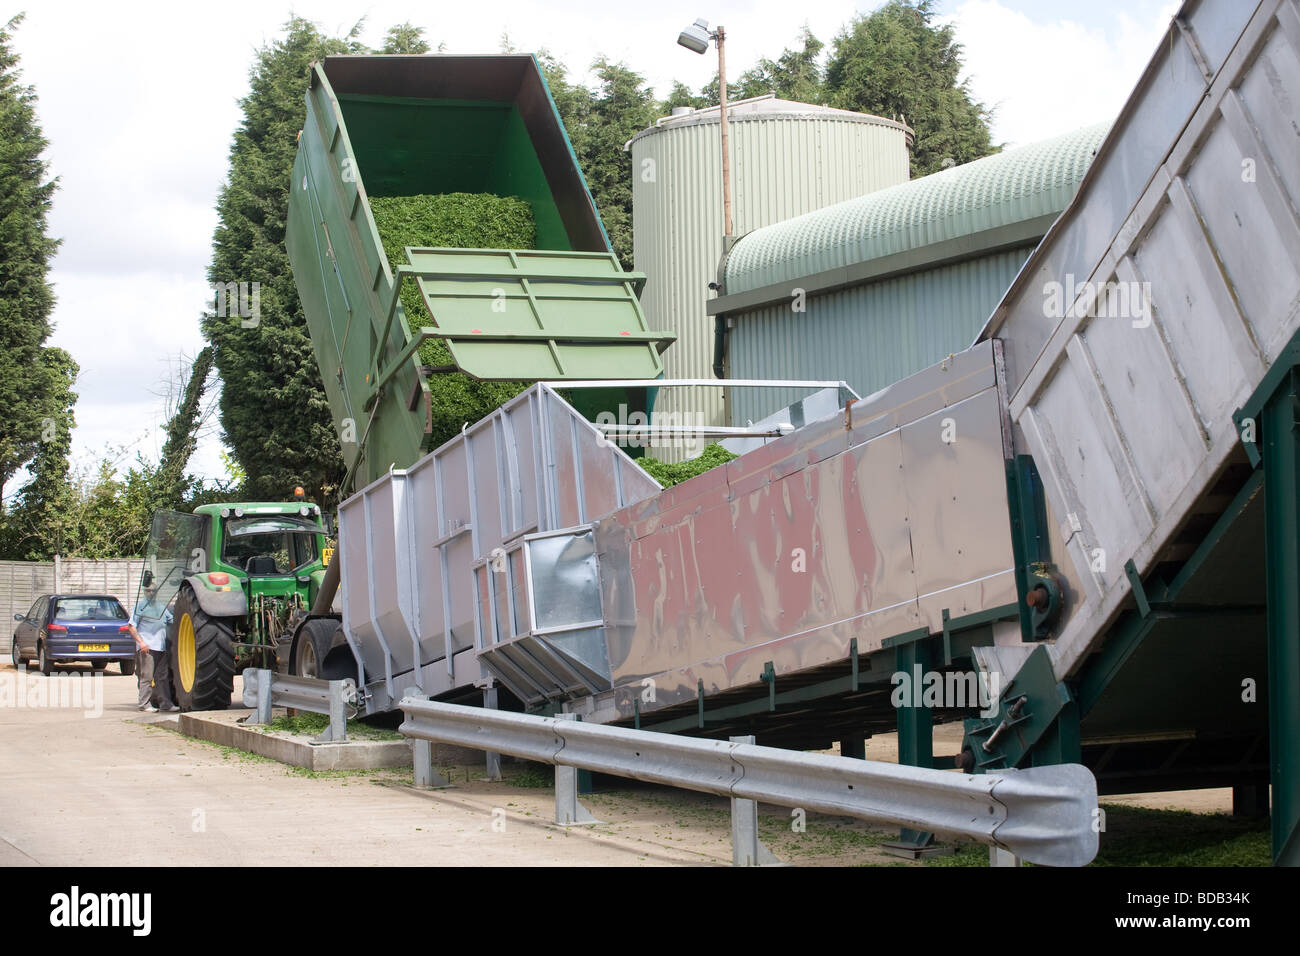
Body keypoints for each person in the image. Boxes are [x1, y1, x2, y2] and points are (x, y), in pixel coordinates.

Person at [127, 582, 177, 713]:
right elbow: (131, 626)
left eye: (154, 591)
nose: (151, 593)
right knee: (147, 677)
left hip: (161, 648)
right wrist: (141, 643)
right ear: (144, 592)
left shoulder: (161, 608)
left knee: (162, 677)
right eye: (148, 591)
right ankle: (144, 704)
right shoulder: (140, 607)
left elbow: (172, 621)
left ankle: (166, 703)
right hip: (147, 648)